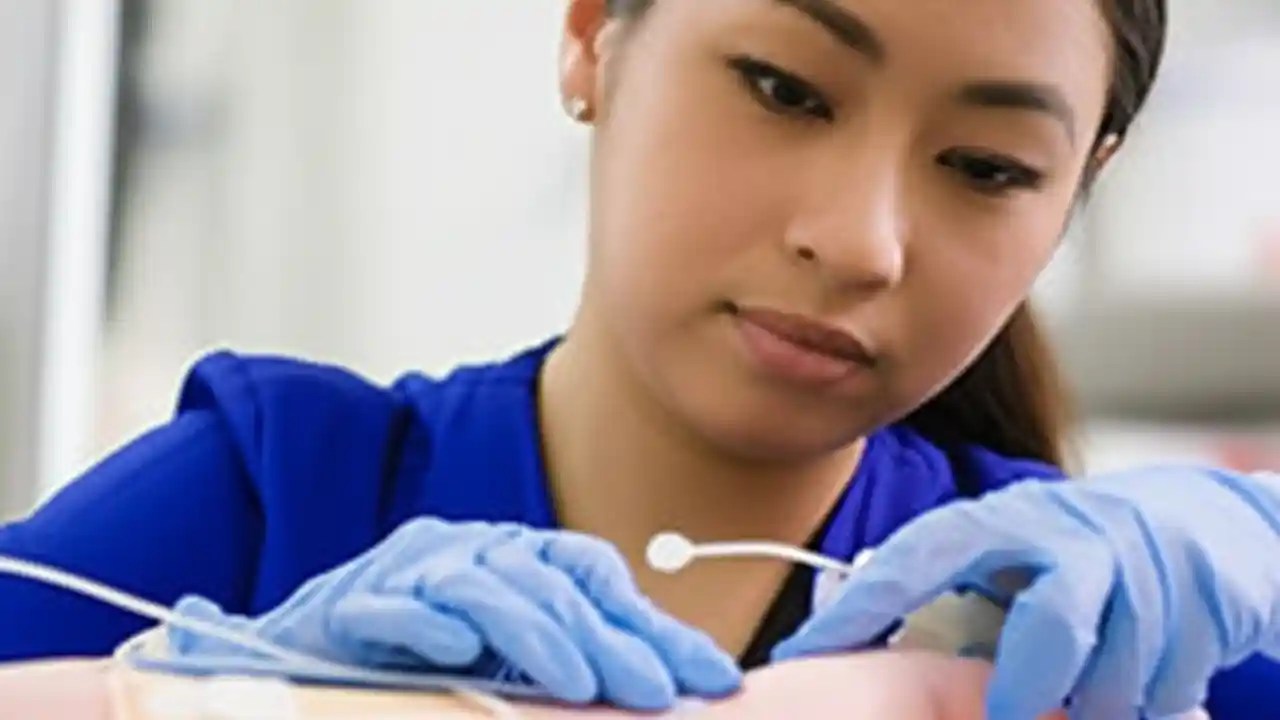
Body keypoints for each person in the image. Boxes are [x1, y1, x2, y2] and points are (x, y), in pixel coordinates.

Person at [1, 0, 1277, 717]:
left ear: (1077, 194)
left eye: (987, 169)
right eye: (784, 89)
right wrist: (179, 704)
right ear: (592, 33)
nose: (857, 242)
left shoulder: (1093, 635)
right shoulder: (263, 502)